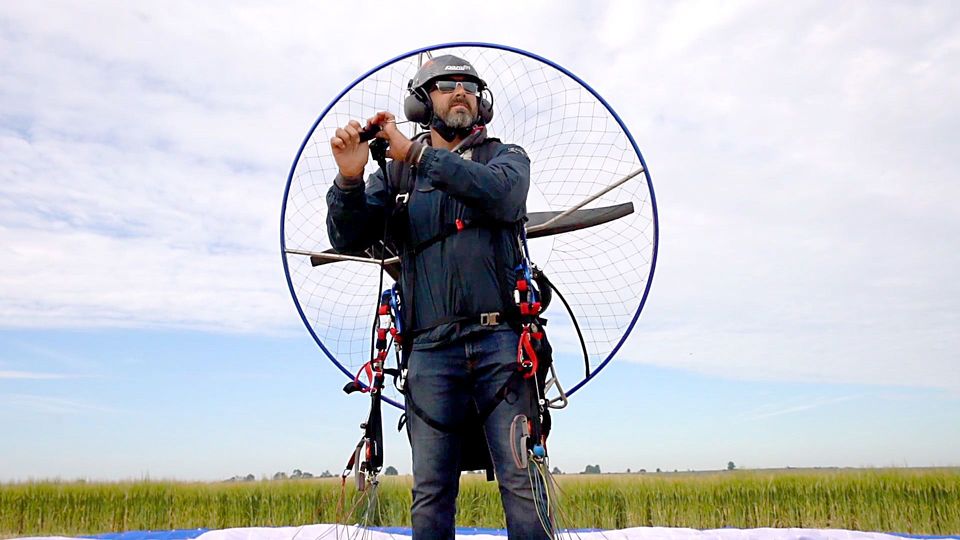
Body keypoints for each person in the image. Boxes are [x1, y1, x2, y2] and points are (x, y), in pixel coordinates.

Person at [326, 55, 549, 539]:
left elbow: (502, 196)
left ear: (482, 101)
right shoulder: (396, 176)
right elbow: (348, 238)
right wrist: (348, 180)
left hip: (501, 347)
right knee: (429, 493)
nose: (460, 92)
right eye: (446, 85)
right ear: (420, 102)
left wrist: (418, 154)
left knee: (521, 482)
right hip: (428, 352)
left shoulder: (506, 157)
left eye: (469, 86)